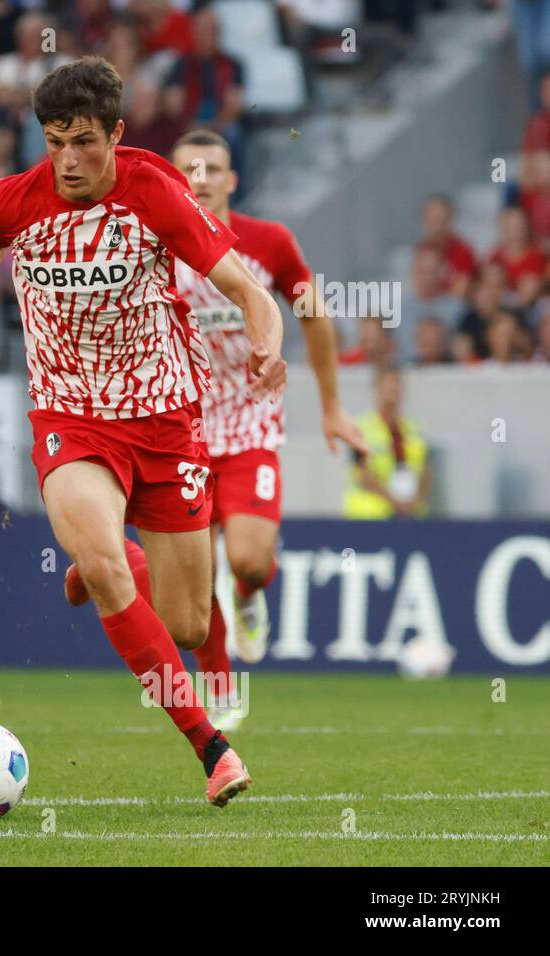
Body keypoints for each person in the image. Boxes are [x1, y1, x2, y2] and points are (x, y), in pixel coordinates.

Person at [0, 57, 286, 807]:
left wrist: (265, 341)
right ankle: (211, 746)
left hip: (167, 421)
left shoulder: (157, 194)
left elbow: (246, 289)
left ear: (115, 133)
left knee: (181, 619)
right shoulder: (17, 198)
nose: (68, 161)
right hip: (71, 418)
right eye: (54, 143)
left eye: (83, 142)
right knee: (105, 565)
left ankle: (111, 562)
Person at [108, 128, 362, 730]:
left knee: (246, 562)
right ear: (171, 177)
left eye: (213, 168)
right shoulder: (149, 240)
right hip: (179, 430)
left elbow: (314, 317)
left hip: (249, 427)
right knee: (192, 576)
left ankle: (249, 597)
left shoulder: (267, 243)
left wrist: (331, 406)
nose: (201, 178)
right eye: (188, 168)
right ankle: (218, 678)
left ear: (232, 178)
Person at [345, 365, 431, 519]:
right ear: (376, 388)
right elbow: (363, 474)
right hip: (371, 515)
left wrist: (415, 500)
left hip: (411, 515)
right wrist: (395, 501)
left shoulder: (414, 429)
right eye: (388, 386)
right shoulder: (361, 428)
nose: (393, 391)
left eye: (397, 385)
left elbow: (425, 471)